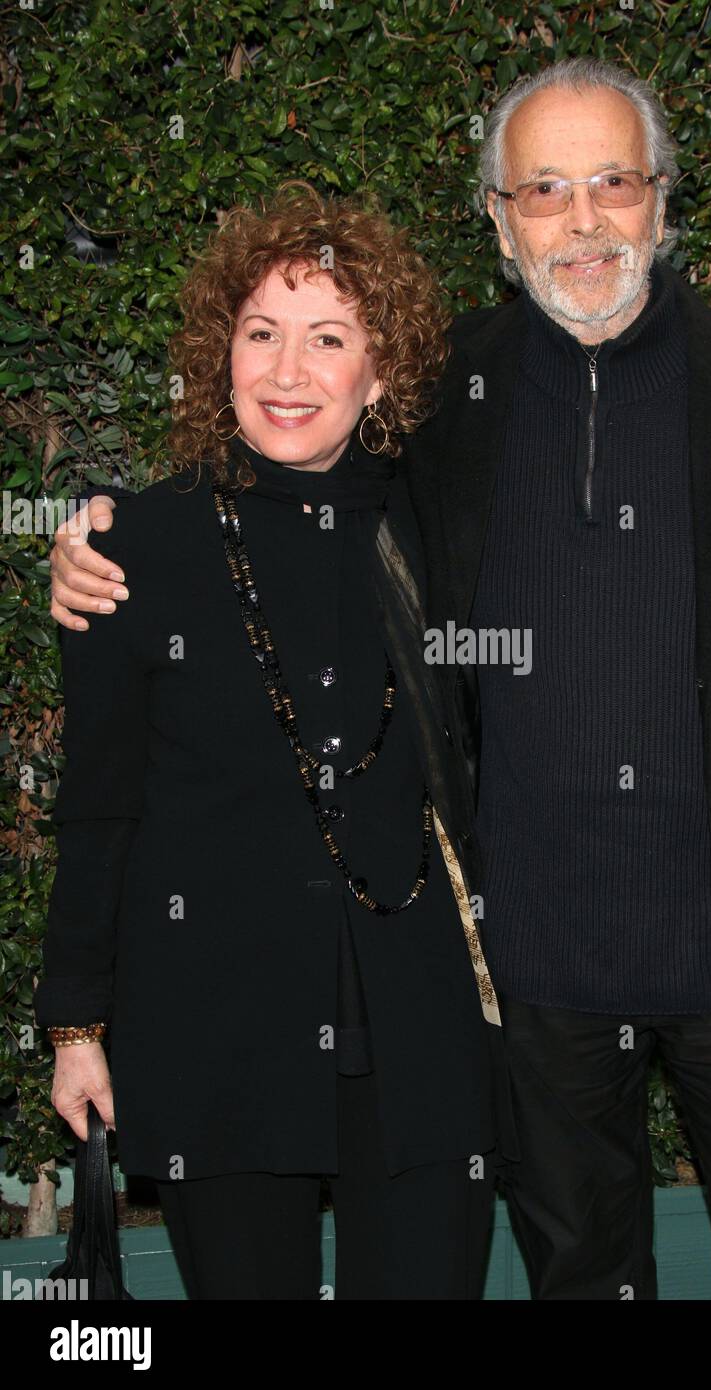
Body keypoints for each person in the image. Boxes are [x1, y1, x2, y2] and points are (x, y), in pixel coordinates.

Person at [51, 58, 711, 1302]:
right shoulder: (444, 402)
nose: (582, 222)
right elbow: (283, 483)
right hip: (532, 976)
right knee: (578, 1277)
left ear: (662, 201)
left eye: (612, 183)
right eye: (543, 189)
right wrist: (93, 543)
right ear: (498, 218)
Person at [37, 181, 514, 1301]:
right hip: (214, 1024)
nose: (287, 372)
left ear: (379, 372)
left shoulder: (440, 527)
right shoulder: (134, 549)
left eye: (327, 338)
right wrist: (74, 1024)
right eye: (260, 334)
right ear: (222, 355)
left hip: (421, 1026)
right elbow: (99, 804)